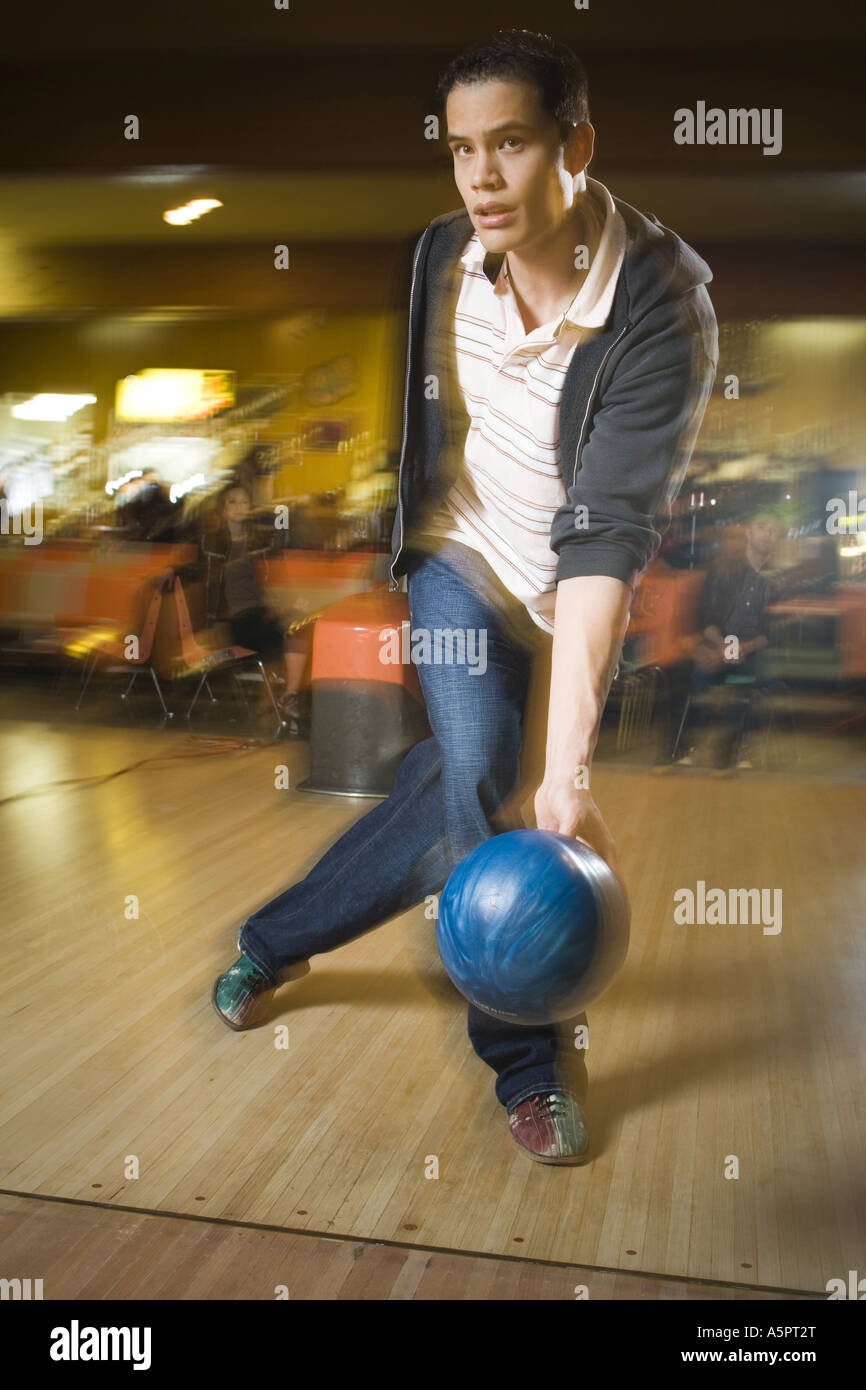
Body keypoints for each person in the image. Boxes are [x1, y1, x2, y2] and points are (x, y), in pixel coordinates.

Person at [212, 29, 718, 1163]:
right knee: (485, 793)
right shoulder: (440, 253)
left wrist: (572, 768)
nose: (480, 176)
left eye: (511, 144)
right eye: (459, 149)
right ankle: (530, 1067)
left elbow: (604, 540)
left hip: (572, 596)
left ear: (575, 144)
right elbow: (432, 425)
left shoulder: (658, 307)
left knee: (456, 798)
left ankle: (269, 937)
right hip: (464, 564)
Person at [192, 482, 311, 733]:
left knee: (297, 630)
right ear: (223, 509)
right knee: (278, 635)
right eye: (232, 502)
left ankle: (288, 694)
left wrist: (286, 604)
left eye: (244, 502)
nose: (239, 508)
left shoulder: (260, 540)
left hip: (260, 616)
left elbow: (273, 577)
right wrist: (207, 627)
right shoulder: (211, 543)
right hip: (230, 620)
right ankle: (274, 702)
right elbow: (208, 589)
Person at [674, 511, 782, 771]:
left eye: (772, 530)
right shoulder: (724, 570)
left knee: (754, 676)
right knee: (697, 671)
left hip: (752, 648)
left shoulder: (776, 579)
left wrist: (738, 649)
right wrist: (724, 648)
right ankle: (690, 745)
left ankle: (735, 748)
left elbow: (770, 632)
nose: (767, 534)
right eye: (761, 526)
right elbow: (709, 618)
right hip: (720, 643)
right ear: (750, 533)